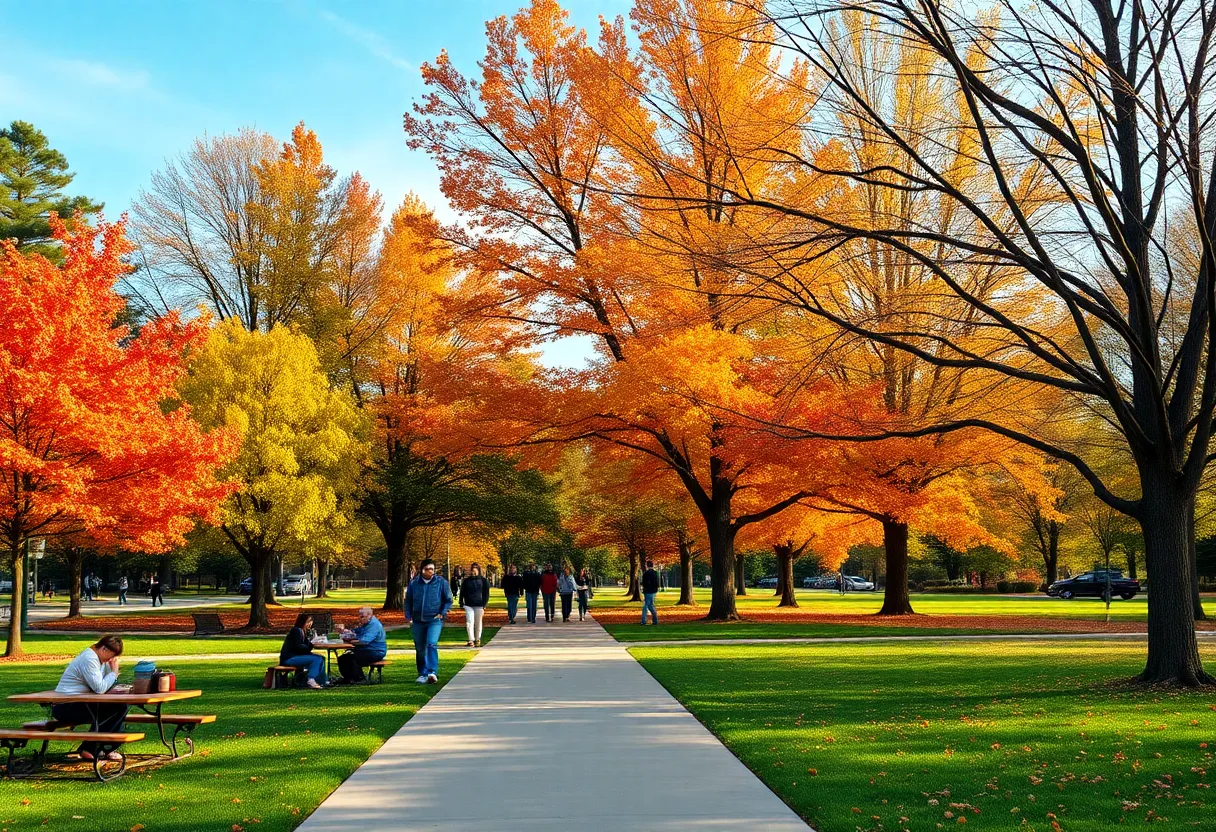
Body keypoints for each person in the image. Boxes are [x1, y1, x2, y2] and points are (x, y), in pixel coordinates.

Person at [54, 635, 130, 761]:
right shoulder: (89, 659)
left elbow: (106, 685)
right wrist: (114, 673)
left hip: (81, 702)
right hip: (65, 706)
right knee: (117, 707)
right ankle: (93, 748)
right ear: (104, 649)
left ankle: (103, 748)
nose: (112, 659)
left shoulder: (100, 659)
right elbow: (100, 688)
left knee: (120, 705)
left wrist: (111, 672)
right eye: (112, 655)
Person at [405, 558, 453, 684]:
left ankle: (432, 672)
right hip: (417, 620)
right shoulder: (414, 583)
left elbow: (448, 600)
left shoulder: (441, 582)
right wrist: (408, 616)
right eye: (427, 569)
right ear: (422, 570)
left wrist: (442, 613)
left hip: (434, 619)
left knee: (431, 643)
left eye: (432, 569)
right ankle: (422, 673)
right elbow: (408, 601)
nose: (430, 571)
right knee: (420, 648)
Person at [336, 606, 388, 684]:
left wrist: (351, 642)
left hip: (375, 651)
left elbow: (364, 641)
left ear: (369, 615)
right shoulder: (367, 623)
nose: (360, 619)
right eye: (359, 616)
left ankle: (360, 678)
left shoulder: (374, 625)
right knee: (343, 658)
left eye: (362, 617)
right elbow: (357, 631)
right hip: (367, 650)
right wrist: (345, 631)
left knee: (353, 658)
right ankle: (348, 678)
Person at [280, 613, 327, 689]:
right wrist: (312, 644)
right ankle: (310, 679)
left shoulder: (303, 631)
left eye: (310, 622)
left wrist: (311, 643)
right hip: (289, 658)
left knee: (321, 658)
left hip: (297, 656)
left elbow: (306, 646)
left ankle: (322, 681)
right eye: (308, 622)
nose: (310, 624)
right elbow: (299, 647)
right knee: (317, 659)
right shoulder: (296, 631)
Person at [460, 563, 491, 646]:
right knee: (469, 622)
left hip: (479, 605)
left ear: (478, 570)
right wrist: (461, 602)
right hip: (468, 604)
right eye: (472, 569)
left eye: (475, 569)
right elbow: (462, 591)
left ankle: (477, 639)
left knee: (478, 622)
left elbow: (486, 593)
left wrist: (484, 604)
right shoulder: (466, 581)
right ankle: (471, 639)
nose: (473, 571)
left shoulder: (483, 581)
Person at [641, 560, 660, 625]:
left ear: (647, 565)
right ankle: (655, 620)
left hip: (648, 591)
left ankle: (643, 621)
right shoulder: (655, 573)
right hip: (654, 591)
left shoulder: (646, 573)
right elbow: (657, 582)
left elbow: (644, 583)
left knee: (646, 606)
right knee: (651, 605)